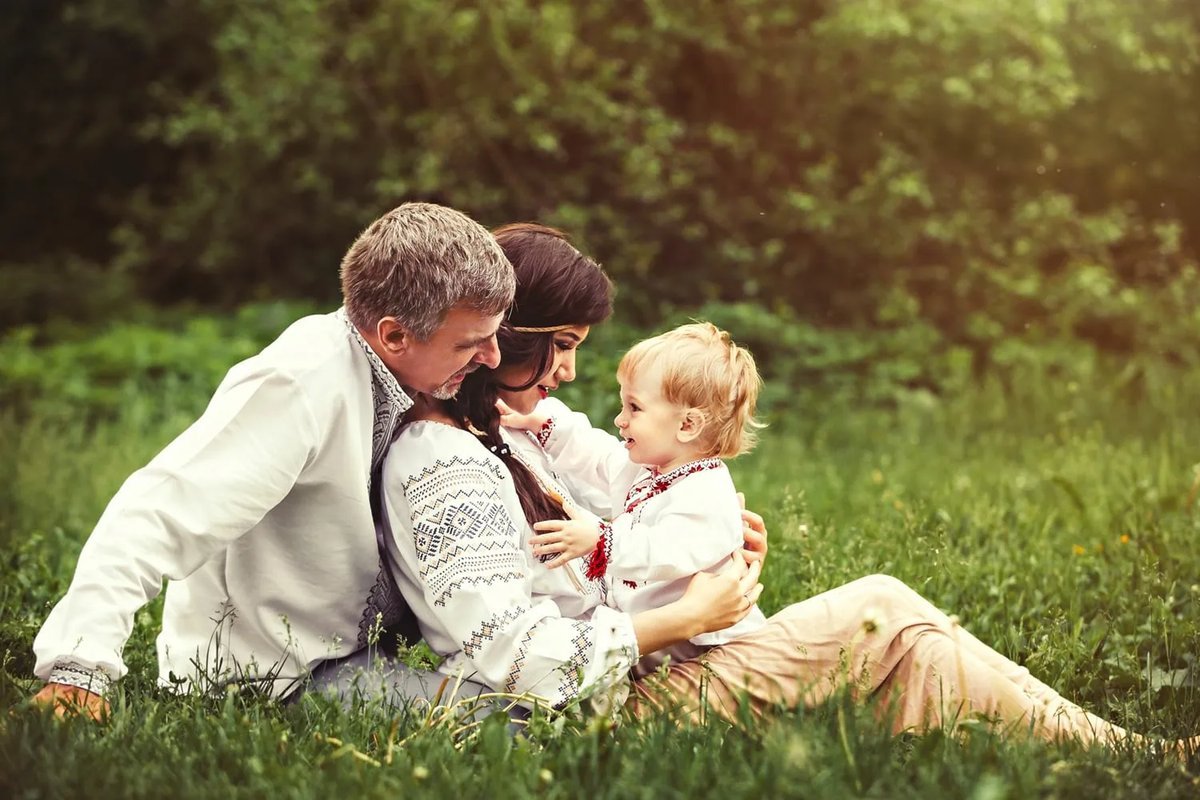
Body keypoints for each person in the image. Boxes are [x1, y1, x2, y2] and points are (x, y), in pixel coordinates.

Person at [382, 222, 1197, 754]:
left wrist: (696, 548)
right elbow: (513, 658)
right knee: (883, 609)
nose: (564, 371)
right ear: (502, 335)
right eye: (555, 344)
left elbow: (610, 507)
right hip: (604, 722)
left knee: (905, 648)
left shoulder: (500, 438)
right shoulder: (441, 464)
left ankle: (1098, 747)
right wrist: (684, 618)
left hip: (639, 681)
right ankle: (1122, 753)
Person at [30, 202, 516, 719]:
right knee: (512, 723)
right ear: (394, 335)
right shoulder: (299, 382)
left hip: (356, 651)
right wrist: (78, 667)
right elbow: (156, 511)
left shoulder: (402, 378)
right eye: (471, 342)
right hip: (274, 677)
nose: (493, 358)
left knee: (542, 704)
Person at [500, 322, 769, 677]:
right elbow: (597, 455)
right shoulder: (650, 468)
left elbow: (664, 549)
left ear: (687, 425)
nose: (619, 420)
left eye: (634, 408)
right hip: (667, 640)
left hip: (712, 647)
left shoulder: (707, 493)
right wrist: (543, 421)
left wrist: (602, 540)